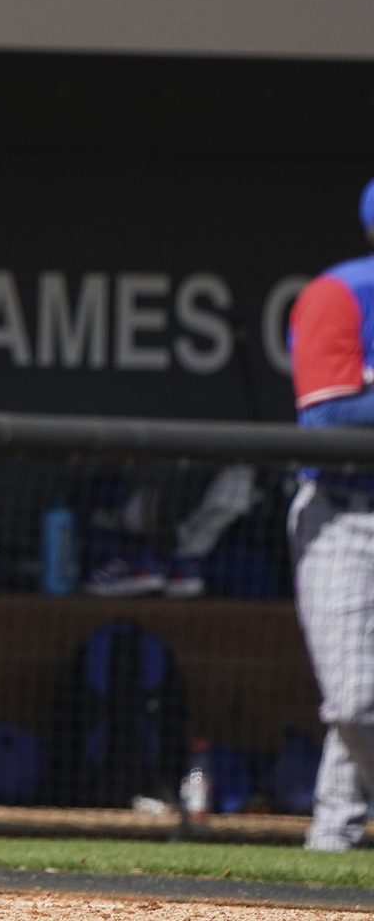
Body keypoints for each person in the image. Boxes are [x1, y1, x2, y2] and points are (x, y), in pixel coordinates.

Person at [285, 174, 374, 851]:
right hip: (346, 515)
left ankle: (332, 842)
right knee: (354, 699)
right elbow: (325, 415)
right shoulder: (341, 293)